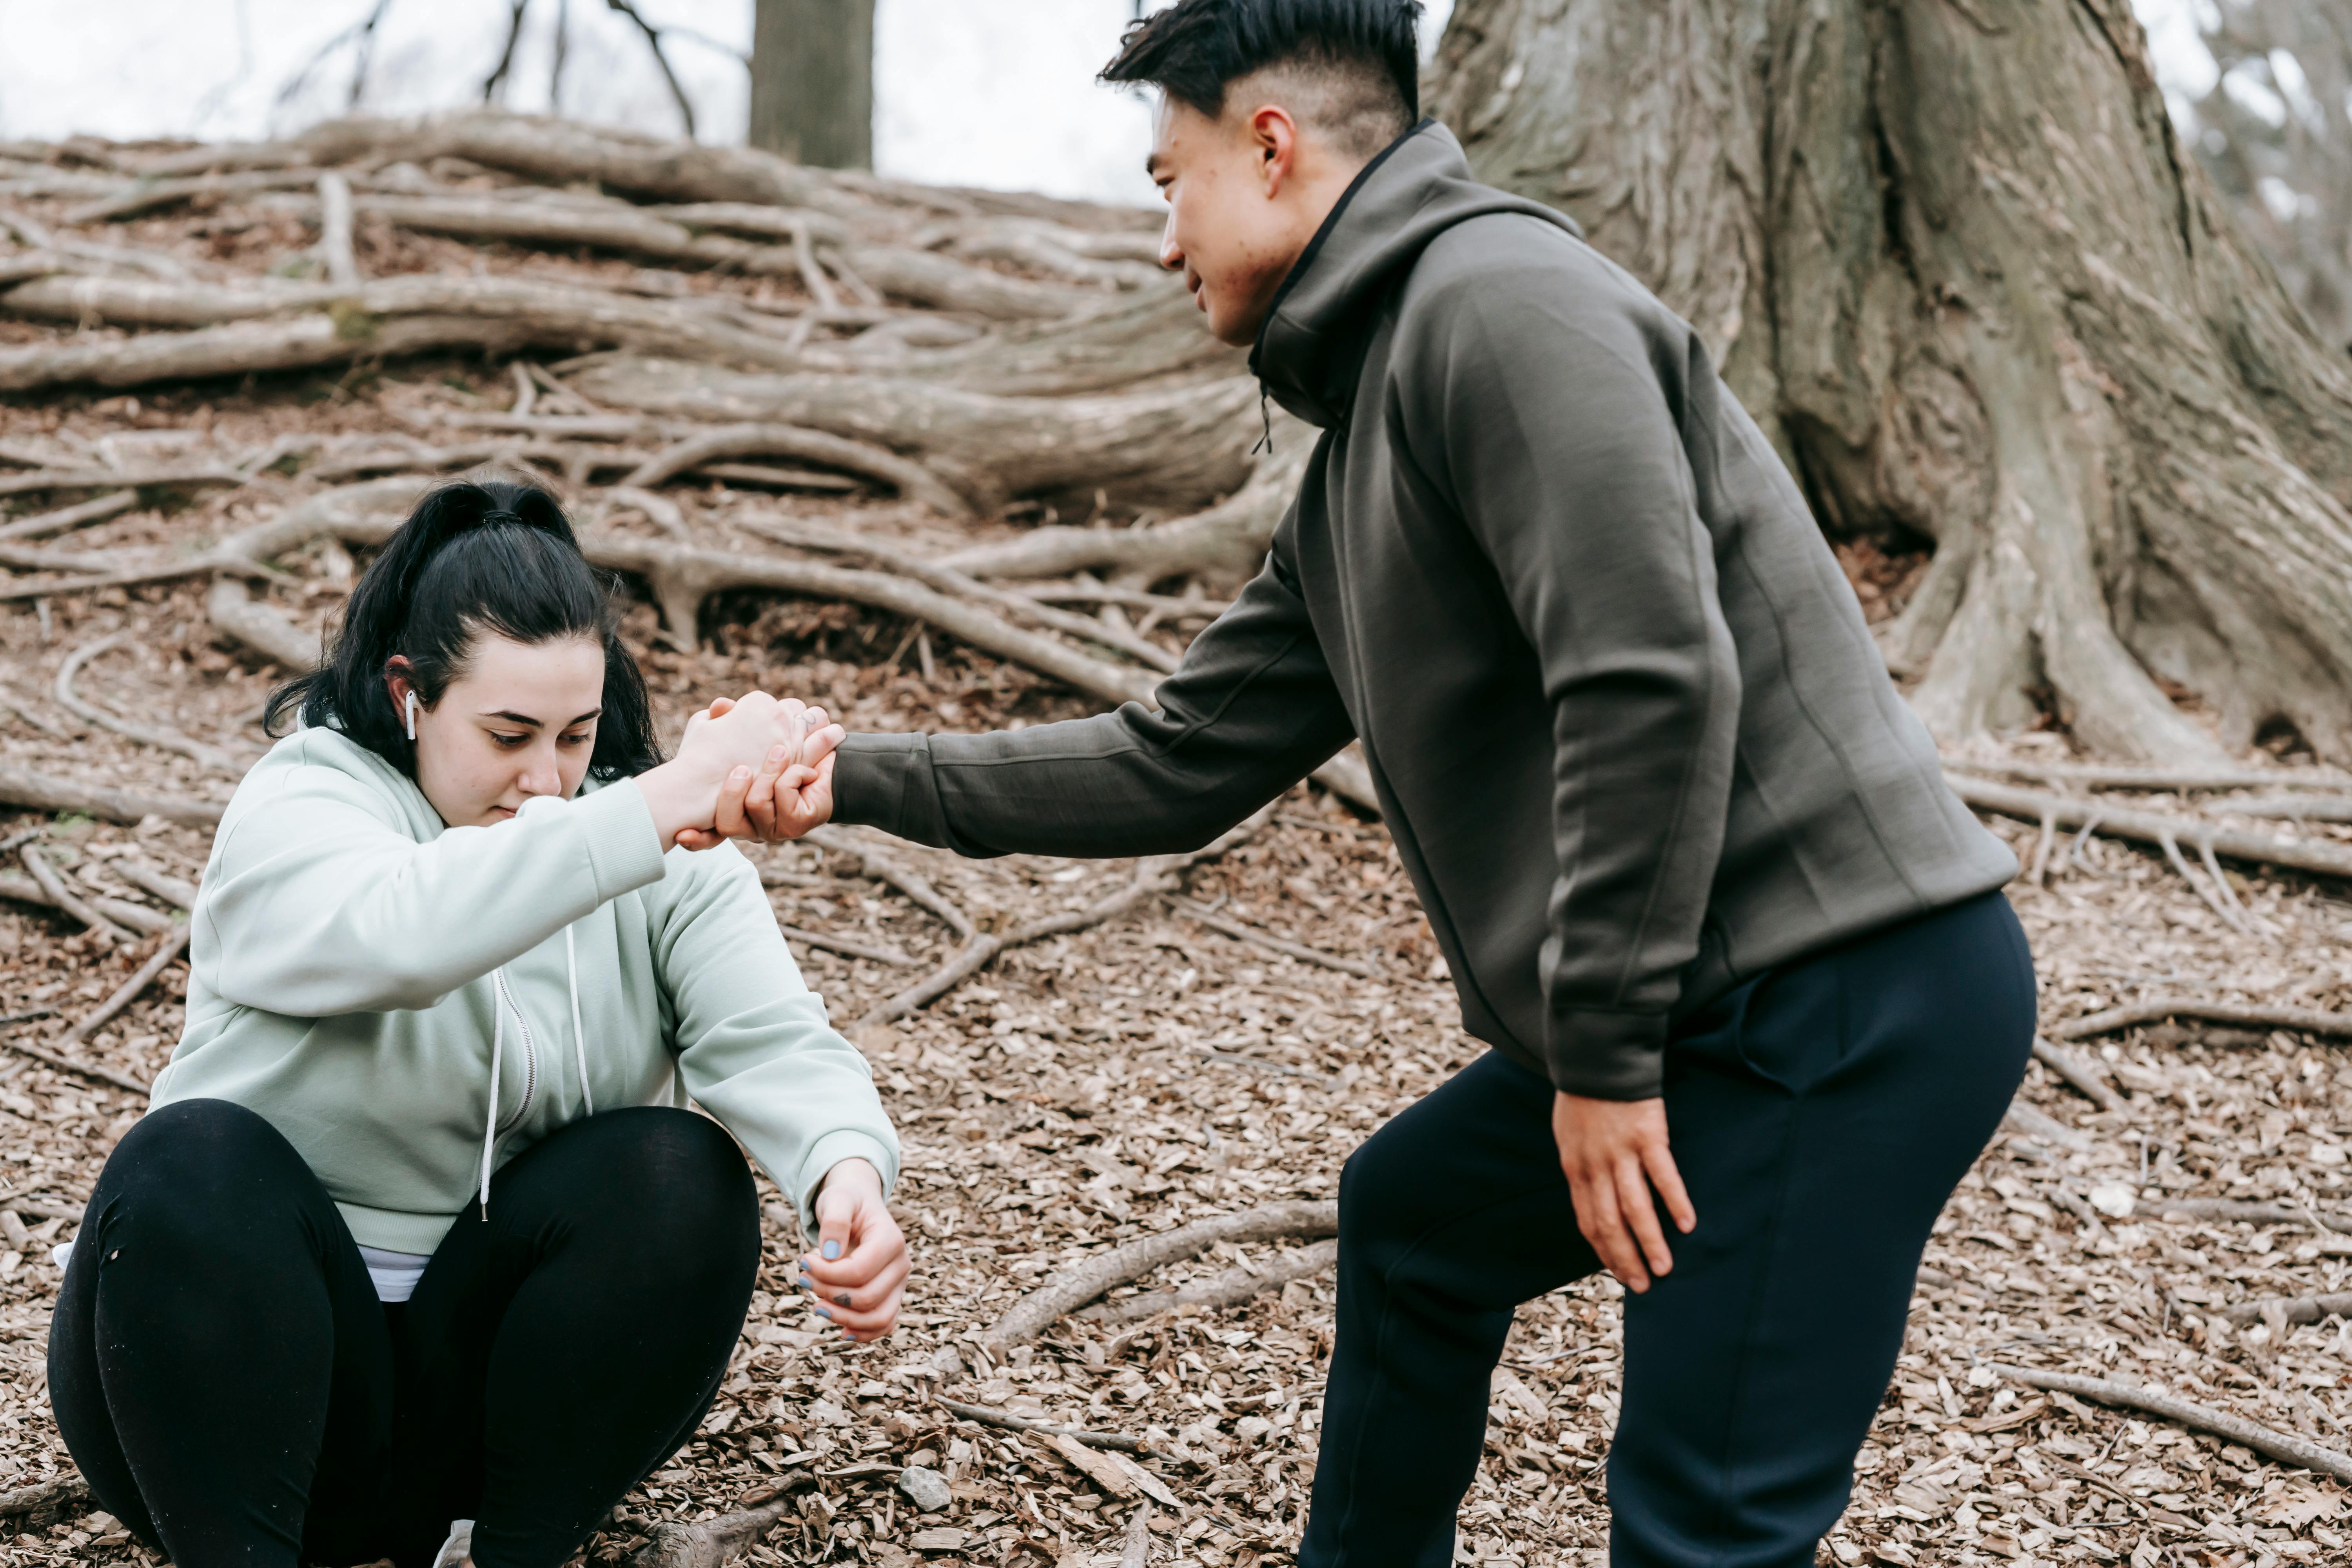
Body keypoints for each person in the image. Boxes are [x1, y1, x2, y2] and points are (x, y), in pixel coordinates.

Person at [719, 3, 2036, 1566]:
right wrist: (847, 773)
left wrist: (1602, 1064)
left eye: (1168, 182)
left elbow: (1649, 673)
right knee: (1418, 1223)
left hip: (1834, 1008)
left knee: (1706, 1523)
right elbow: (1176, 757)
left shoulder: (1506, 305)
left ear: (1271, 146)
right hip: (1707, 1002)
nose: (1163, 243)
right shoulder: (1366, 454)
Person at [47, 480, 904, 1568]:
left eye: (577, 736)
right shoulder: (305, 803)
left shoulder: (652, 838)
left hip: (471, 1395)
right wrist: (658, 799)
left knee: (677, 1167)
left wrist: (845, 1175)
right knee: (188, 1155)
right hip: (226, 1389)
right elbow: (401, 936)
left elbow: (772, 1036)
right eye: (507, 735)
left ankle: (509, 1552)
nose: (546, 781)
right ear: (410, 696)